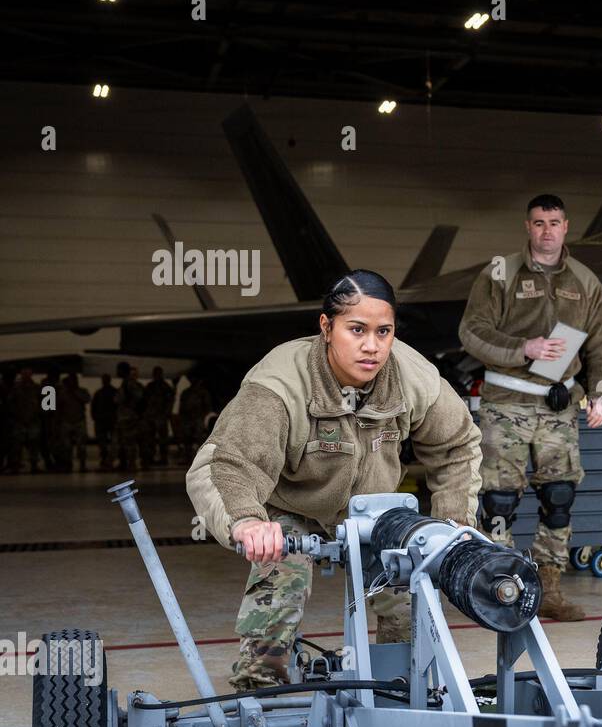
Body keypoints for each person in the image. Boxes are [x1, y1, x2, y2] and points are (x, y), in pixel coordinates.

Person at [186, 269, 482, 693]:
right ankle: (260, 686)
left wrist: (453, 524)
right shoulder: (279, 382)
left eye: (384, 331)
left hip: (373, 509)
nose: (372, 346)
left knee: (408, 585)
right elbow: (226, 465)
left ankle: (400, 683)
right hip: (292, 508)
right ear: (326, 328)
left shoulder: (413, 377)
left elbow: (458, 446)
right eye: (356, 330)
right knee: (281, 574)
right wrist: (247, 521)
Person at [457, 193, 602, 622]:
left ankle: (548, 588)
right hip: (506, 403)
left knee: (559, 495)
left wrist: (600, 392)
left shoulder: (585, 281)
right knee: (498, 500)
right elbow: (471, 333)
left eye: (555, 222)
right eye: (539, 223)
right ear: (527, 227)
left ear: (567, 227)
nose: (547, 231)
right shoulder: (500, 273)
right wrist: (522, 348)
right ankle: (499, 585)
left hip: (559, 404)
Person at [6, 369, 42, 473]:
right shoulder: (15, 388)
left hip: (33, 420)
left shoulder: (37, 388)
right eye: (24, 374)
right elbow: (10, 403)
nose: (26, 376)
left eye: (28, 374)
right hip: (19, 420)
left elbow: (46, 403)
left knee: (34, 444)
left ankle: (34, 465)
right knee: (17, 445)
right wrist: (15, 415)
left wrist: (38, 413)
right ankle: (15, 466)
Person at [141, 366, 175, 467]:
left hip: (161, 417)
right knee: (150, 438)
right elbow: (145, 401)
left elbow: (170, 401)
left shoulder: (165, 387)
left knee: (162, 439)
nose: (156, 375)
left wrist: (166, 414)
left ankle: (163, 458)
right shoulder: (150, 386)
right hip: (151, 417)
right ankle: (150, 458)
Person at [114, 363, 145, 472]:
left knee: (129, 442)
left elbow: (138, 398)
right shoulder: (127, 383)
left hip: (129, 417)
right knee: (124, 442)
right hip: (126, 416)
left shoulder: (129, 384)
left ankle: (131, 464)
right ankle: (126, 463)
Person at [177, 375, 213, 464]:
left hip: (198, 419)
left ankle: (200, 460)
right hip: (187, 420)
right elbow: (182, 407)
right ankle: (187, 458)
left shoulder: (203, 393)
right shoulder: (186, 392)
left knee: (200, 440)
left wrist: (203, 418)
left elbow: (207, 407)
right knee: (187, 440)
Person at [60, 373, 91, 472]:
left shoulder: (82, 391)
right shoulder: (62, 392)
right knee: (66, 446)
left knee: (81, 445)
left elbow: (87, 399)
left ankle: (82, 465)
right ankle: (68, 465)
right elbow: (58, 407)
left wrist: (75, 392)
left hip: (79, 421)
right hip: (66, 421)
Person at [91, 373, 117, 471]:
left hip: (108, 421)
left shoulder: (101, 393)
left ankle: (107, 461)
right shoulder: (104, 392)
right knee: (104, 443)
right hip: (104, 421)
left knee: (110, 443)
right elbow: (94, 407)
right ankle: (106, 460)